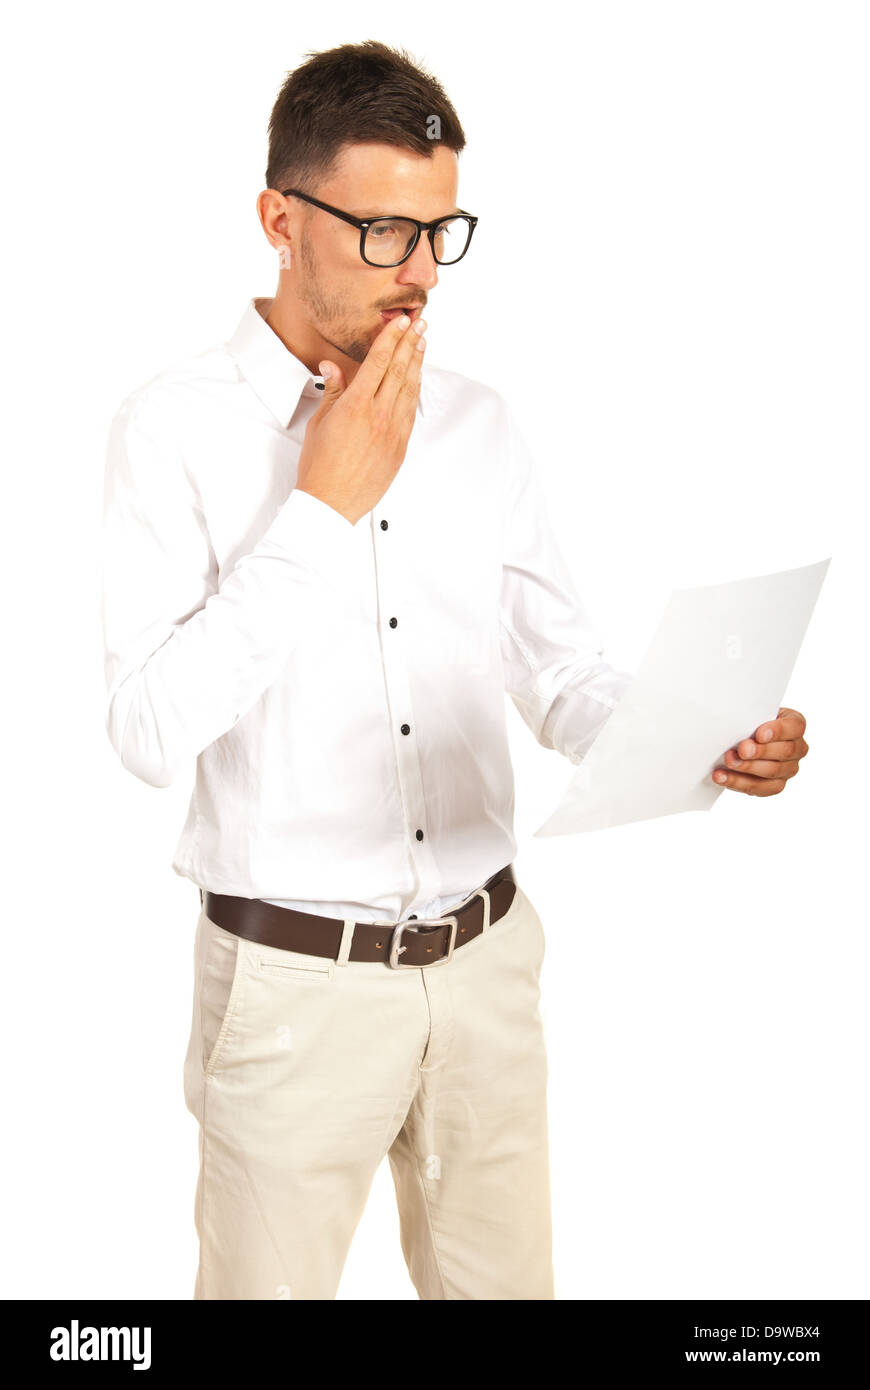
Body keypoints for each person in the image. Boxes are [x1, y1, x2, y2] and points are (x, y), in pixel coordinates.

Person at [100, 40, 810, 1302]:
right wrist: (321, 509)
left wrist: (695, 733)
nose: (420, 273)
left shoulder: (479, 420)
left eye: (441, 231)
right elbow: (148, 730)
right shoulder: (174, 431)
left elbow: (561, 672)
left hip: (488, 968)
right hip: (294, 994)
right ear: (278, 218)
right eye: (382, 231)